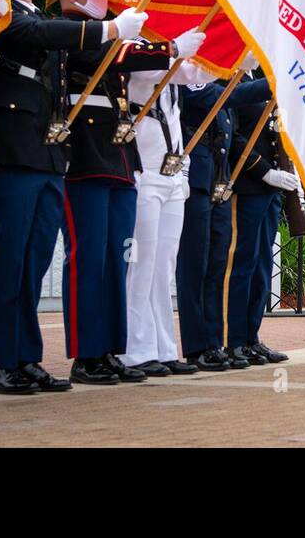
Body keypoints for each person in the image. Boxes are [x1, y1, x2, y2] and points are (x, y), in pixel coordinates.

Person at [0, 0, 148, 394]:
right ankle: (1, 361)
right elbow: (41, 35)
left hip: (50, 150)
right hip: (15, 148)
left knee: (32, 261)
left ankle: (25, 357)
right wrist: (111, 29)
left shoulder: (37, 18)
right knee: (8, 258)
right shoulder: (1, 13)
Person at [61, 0, 175, 385]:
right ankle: (86, 353)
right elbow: (118, 56)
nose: (99, 0)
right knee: (88, 259)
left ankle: (110, 349)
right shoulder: (74, 34)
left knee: (115, 260)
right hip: (87, 159)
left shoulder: (107, 36)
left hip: (121, 160)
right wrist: (171, 46)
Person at [118, 26, 209, 377]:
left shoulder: (166, 52)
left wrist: (229, 61)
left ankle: (162, 346)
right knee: (140, 264)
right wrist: (173, 48)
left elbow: (191, 73)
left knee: (163, 265)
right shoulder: (134, 45)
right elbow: (149, 68)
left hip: (172, 174)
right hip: (144, 172)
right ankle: (134, 349)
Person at [176, 70, 270, 370]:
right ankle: (196, 346)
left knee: (215, 263)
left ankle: (213, 342)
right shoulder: (195, 74)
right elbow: (215, 98)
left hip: (218, 178)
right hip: (197, 177)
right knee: (195, 265)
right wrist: (274, 82)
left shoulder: (218, 76)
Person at [222, 94, 301, 363]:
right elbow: (234, 136)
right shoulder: (234, 81)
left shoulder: (261, 79)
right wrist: (264, 170)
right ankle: (231, 341)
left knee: (262, 267)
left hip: (270, 190)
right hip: (246, 186)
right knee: (241, 264)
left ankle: (250, 338)